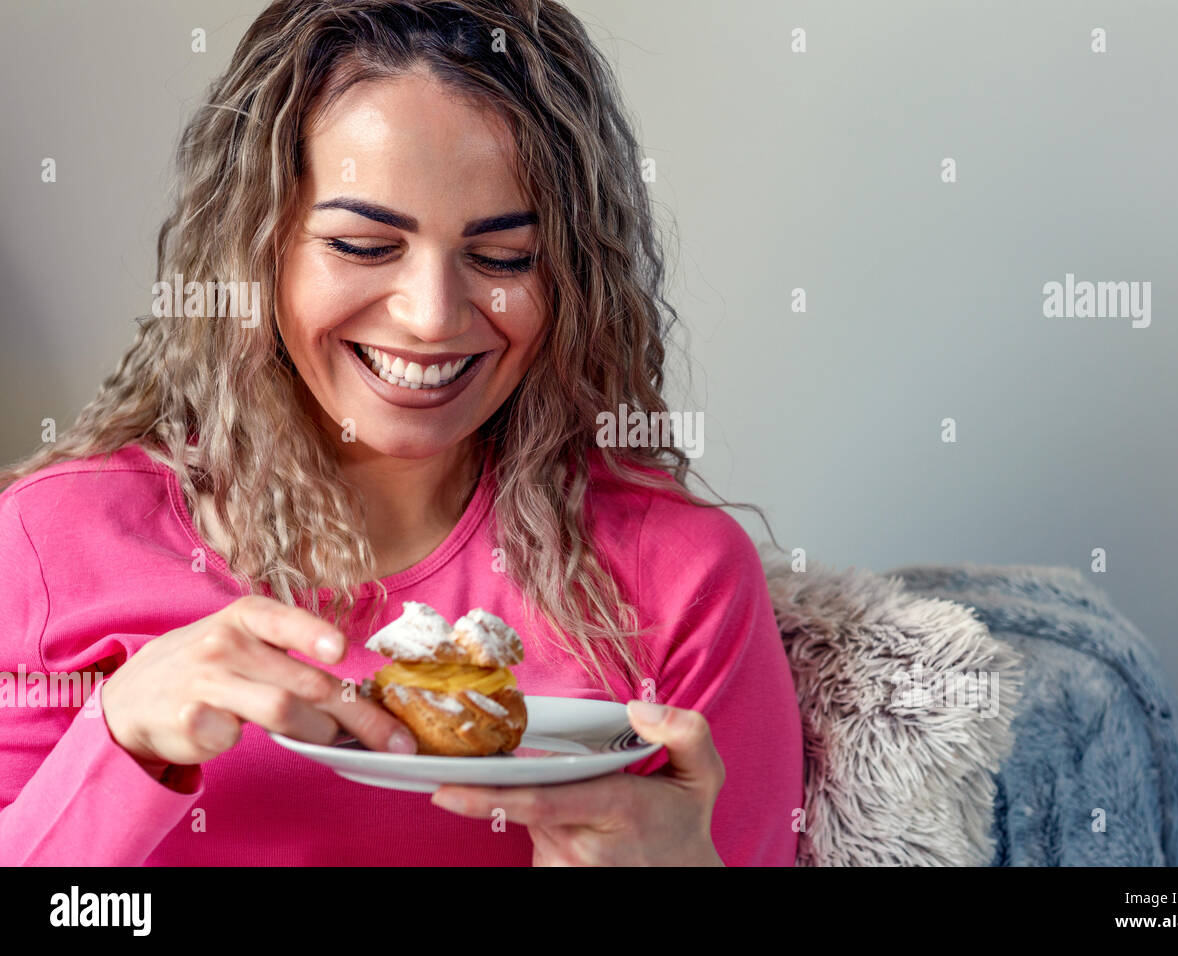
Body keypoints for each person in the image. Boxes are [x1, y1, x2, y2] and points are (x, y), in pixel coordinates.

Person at [0, 0, 803, 866]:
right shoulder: (53, 545)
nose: (431, 318)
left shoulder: (679, 578)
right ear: (255, 251)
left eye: (503, 259)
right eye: (362, 245)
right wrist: (118, 744)